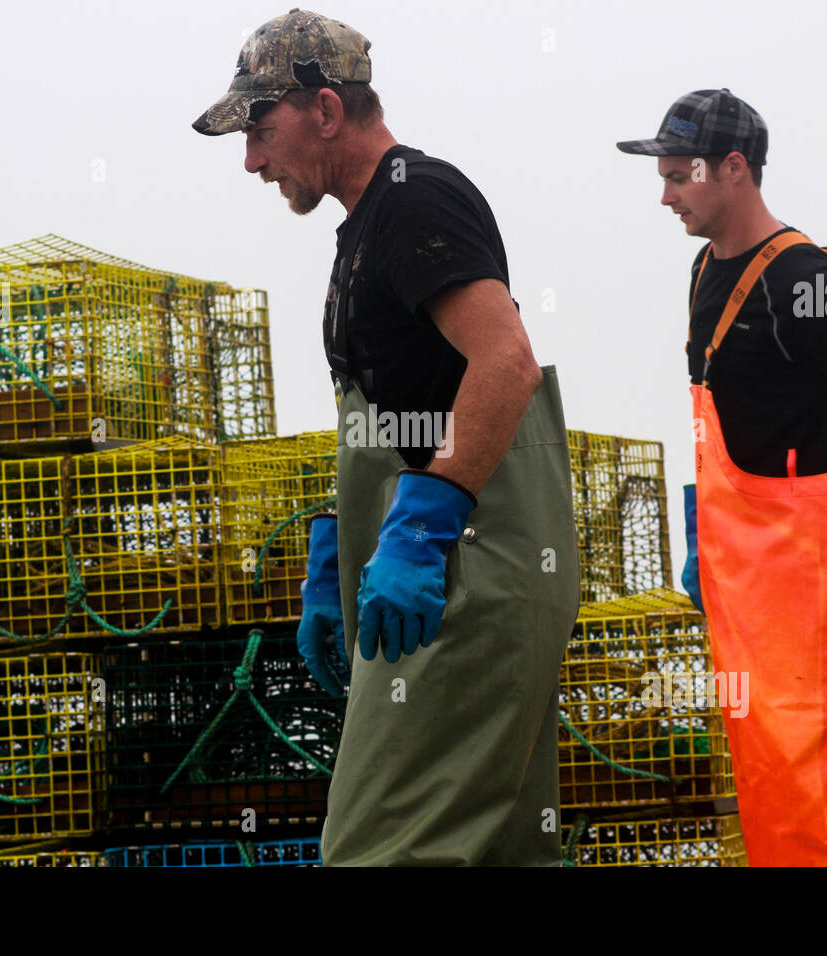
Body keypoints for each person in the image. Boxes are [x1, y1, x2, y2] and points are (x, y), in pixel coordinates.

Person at [193, 8, 580, 866]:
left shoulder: (415, 201)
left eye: (260, 127)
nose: (252, 159)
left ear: (326, 111)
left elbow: (506, 362)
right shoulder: (367, 224)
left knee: (380, 848)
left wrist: (420, 529)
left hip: (469, 578)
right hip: (451, 576)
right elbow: (406, 400)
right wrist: (338, 547)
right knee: (505, 850)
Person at [617, 89, 827, 866]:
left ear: (735, 169)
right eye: (659, 176)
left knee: (812, 776)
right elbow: (716, 420)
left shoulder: (804, 280)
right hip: (734, 578)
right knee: (762, 769)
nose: (664, 195)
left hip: (805, 581)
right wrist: (702, 532)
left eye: (679, 176)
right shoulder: (703, 273)